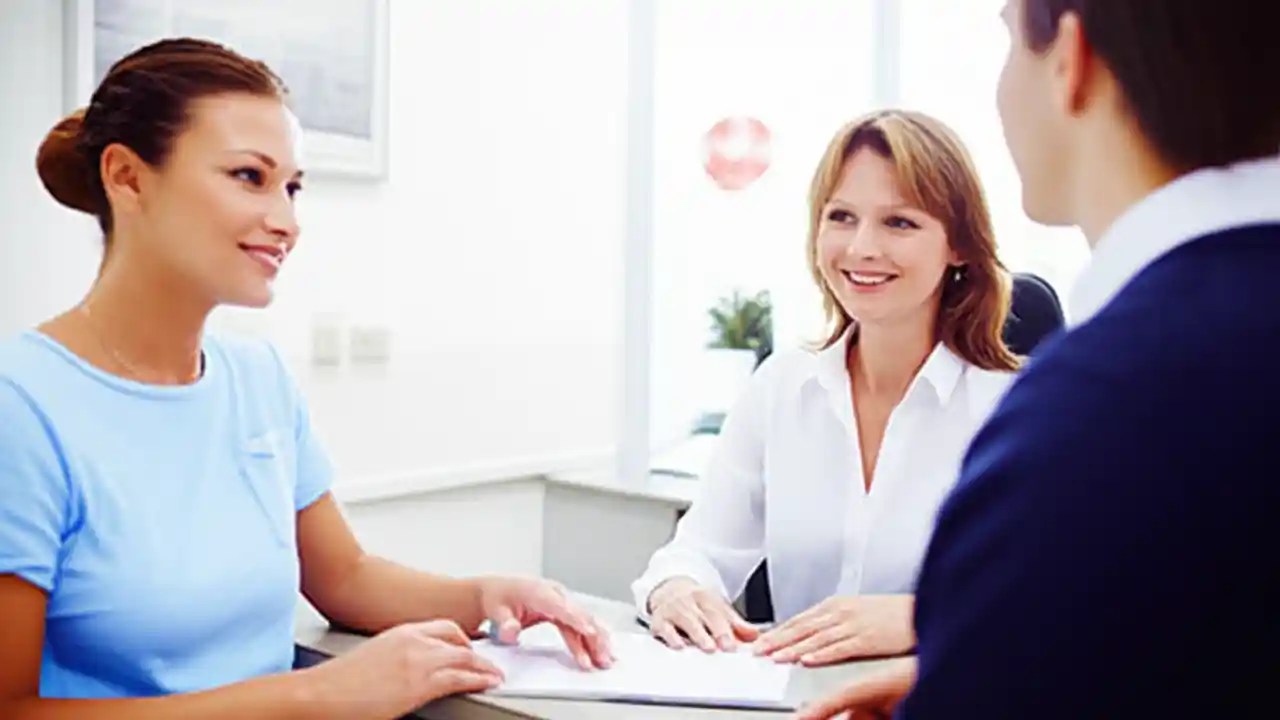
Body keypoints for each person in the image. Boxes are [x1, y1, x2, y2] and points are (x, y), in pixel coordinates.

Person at [0, 38, 612, 719]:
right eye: (248, 177)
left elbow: (344, 577)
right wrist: (316, 694)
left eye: (292, 187)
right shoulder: (22, 407)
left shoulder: (257, 380)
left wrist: (484, 595)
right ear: (128, 177)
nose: (286, 221)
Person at [799, 1, 1280, 717]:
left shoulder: (1094, 411)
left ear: (1069, 60)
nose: (864, 247)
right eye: (842, 216)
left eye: (1007, 40)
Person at [632, 110, 1019, 667]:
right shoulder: (783, 386)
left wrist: (924, 614)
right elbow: (695, 552)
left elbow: (1062, 599)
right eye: (841, 217)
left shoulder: (1012, 408)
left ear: (959, 244)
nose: (861, 248)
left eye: (899, 223)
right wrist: (677, 590)